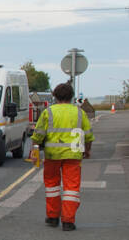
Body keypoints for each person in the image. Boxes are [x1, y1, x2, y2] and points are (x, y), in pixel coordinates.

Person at [32, 82, 93, 230]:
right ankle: (68, 221)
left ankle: (52, 217)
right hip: (73, 155)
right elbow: (88, 135)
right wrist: (87, 150)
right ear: (71, 96)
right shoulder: (79, 112)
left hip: (52, 155)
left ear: (55, 96)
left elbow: (38, 134)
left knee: (52, 186)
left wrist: (35, 149)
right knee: (71, 188)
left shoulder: (49, 112)